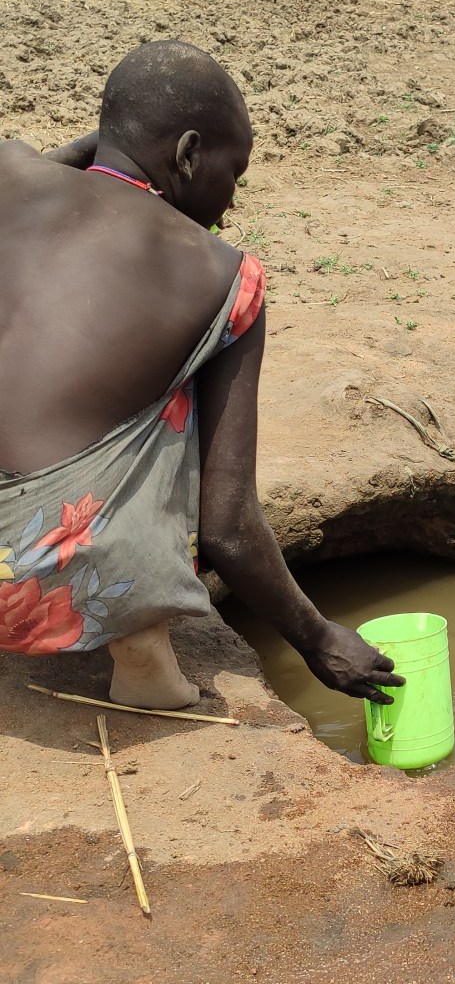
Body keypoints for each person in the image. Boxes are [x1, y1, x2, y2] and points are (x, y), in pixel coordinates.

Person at [0, 41, 404, 710]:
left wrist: (110, 145)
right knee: (173, 395)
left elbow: (50, 163)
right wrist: (317, 638)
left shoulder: (9, 169)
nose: (233, 200)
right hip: (26, 586)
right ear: (189, 154)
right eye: (234, 172)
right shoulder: (223, 275)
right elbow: (227, 526)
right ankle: (143, 657)